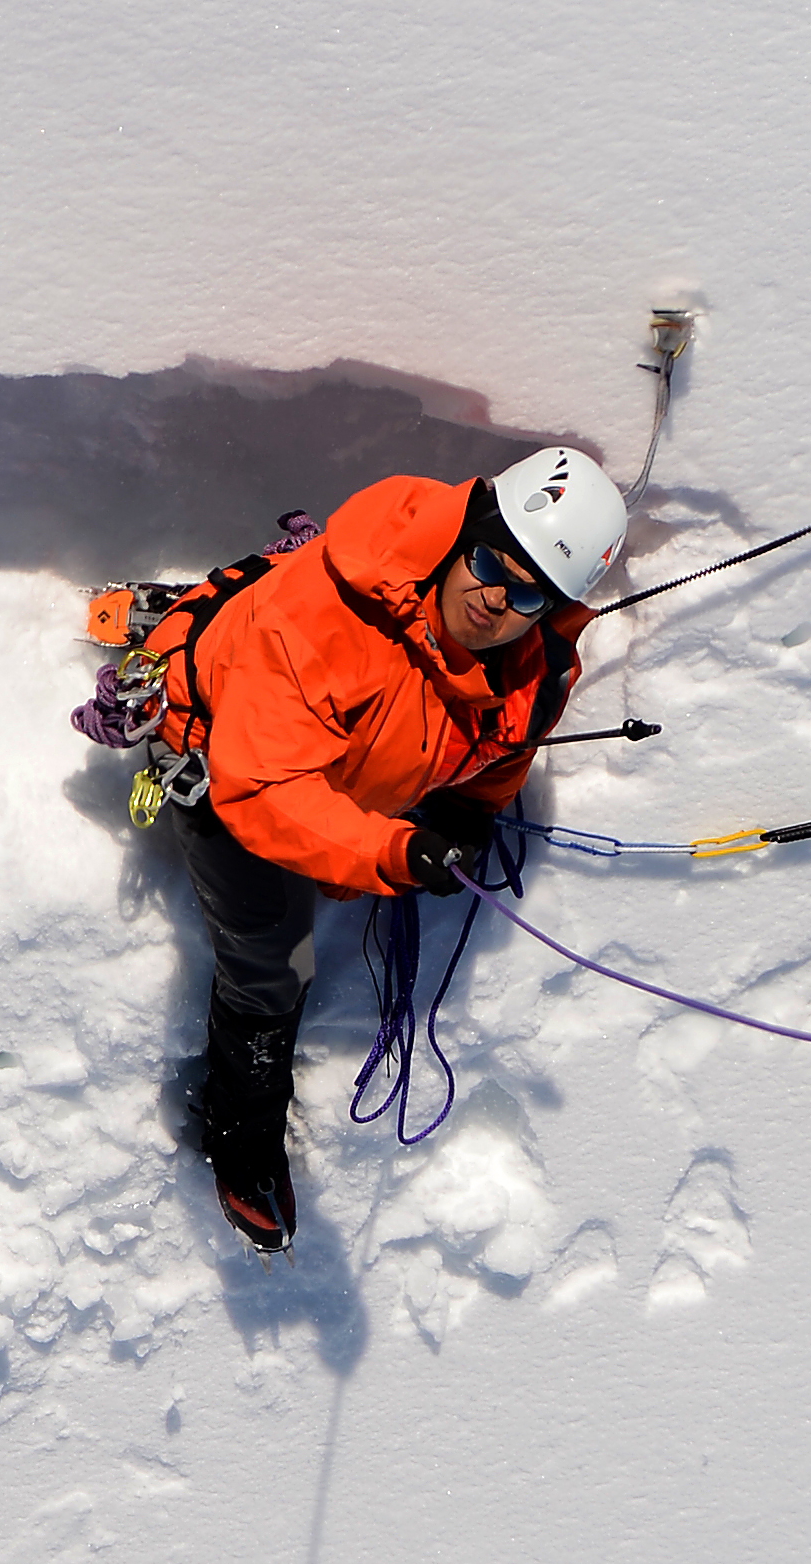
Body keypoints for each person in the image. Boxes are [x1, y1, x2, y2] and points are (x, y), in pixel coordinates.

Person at [145, 447, 629, 1252]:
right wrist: (392, 851)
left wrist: (471, 814)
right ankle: (240, 1134)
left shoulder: (533, 668)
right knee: (274, 965)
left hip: (340, 774)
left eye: (526, 593)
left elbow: (503, 747)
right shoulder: (323, 621)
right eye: (489, 563)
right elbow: (259, 789)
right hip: (228, 765)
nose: (494, 598)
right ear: (464, 534)